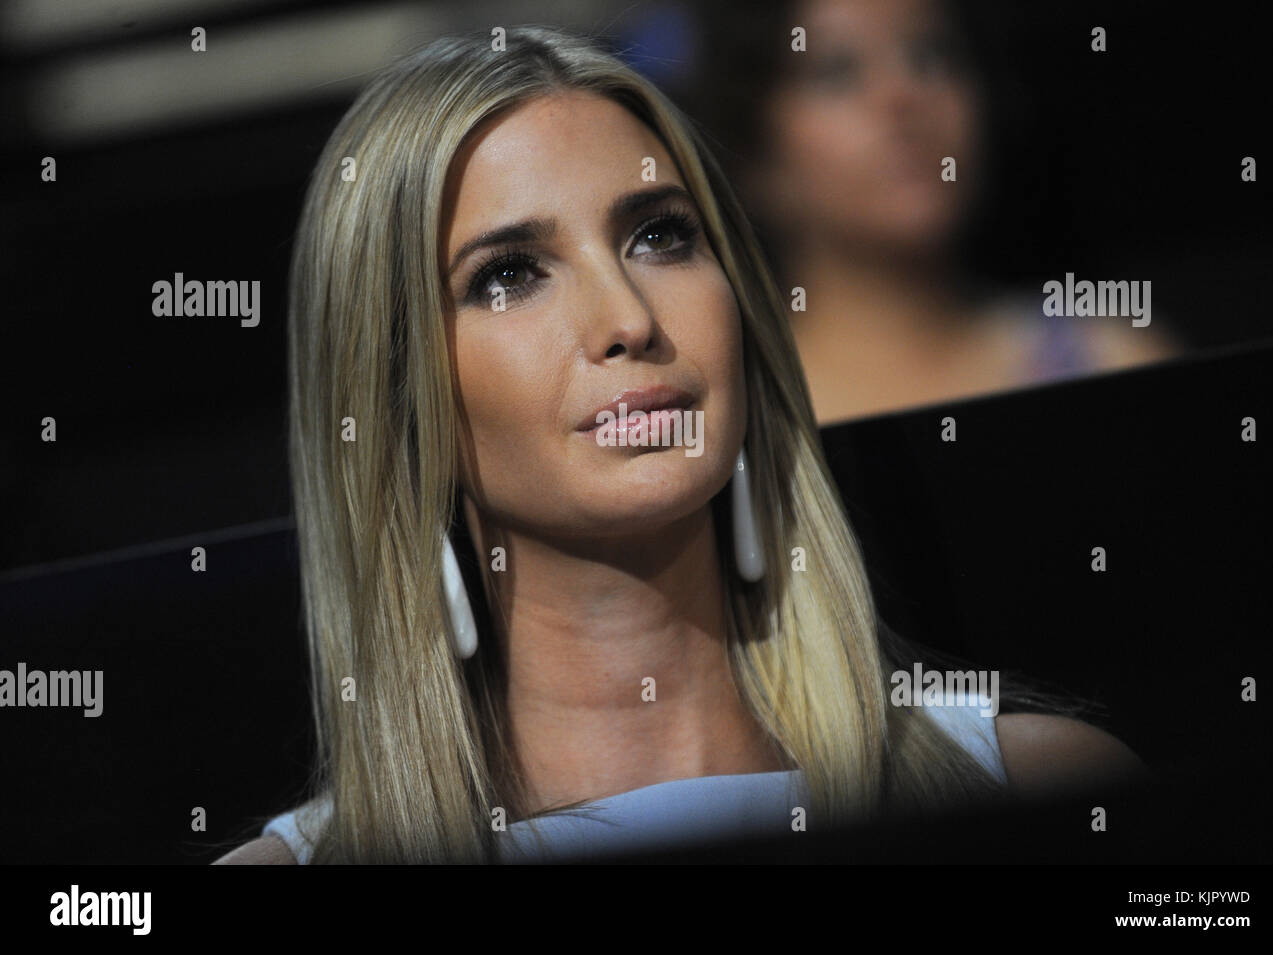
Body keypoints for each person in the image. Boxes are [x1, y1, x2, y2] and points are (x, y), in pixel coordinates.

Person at [214, 25, 1147, 865]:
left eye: (660, 235)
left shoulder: (1047, 792)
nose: (627, 318)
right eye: (507, 276)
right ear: (396, 398)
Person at [683, 0, 1180, 423]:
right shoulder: (736, 412)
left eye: (931, 55)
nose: (902, 96)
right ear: (754, 157)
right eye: (835, 71)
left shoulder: (1110, 358)